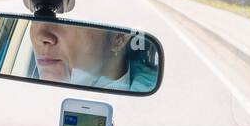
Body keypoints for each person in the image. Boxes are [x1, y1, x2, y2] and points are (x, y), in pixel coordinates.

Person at [28, 19, 158, 92]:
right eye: (33, 19)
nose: (40, 37)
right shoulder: (33, 95)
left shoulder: (148, 99)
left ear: (119, 37)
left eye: (66, 20)